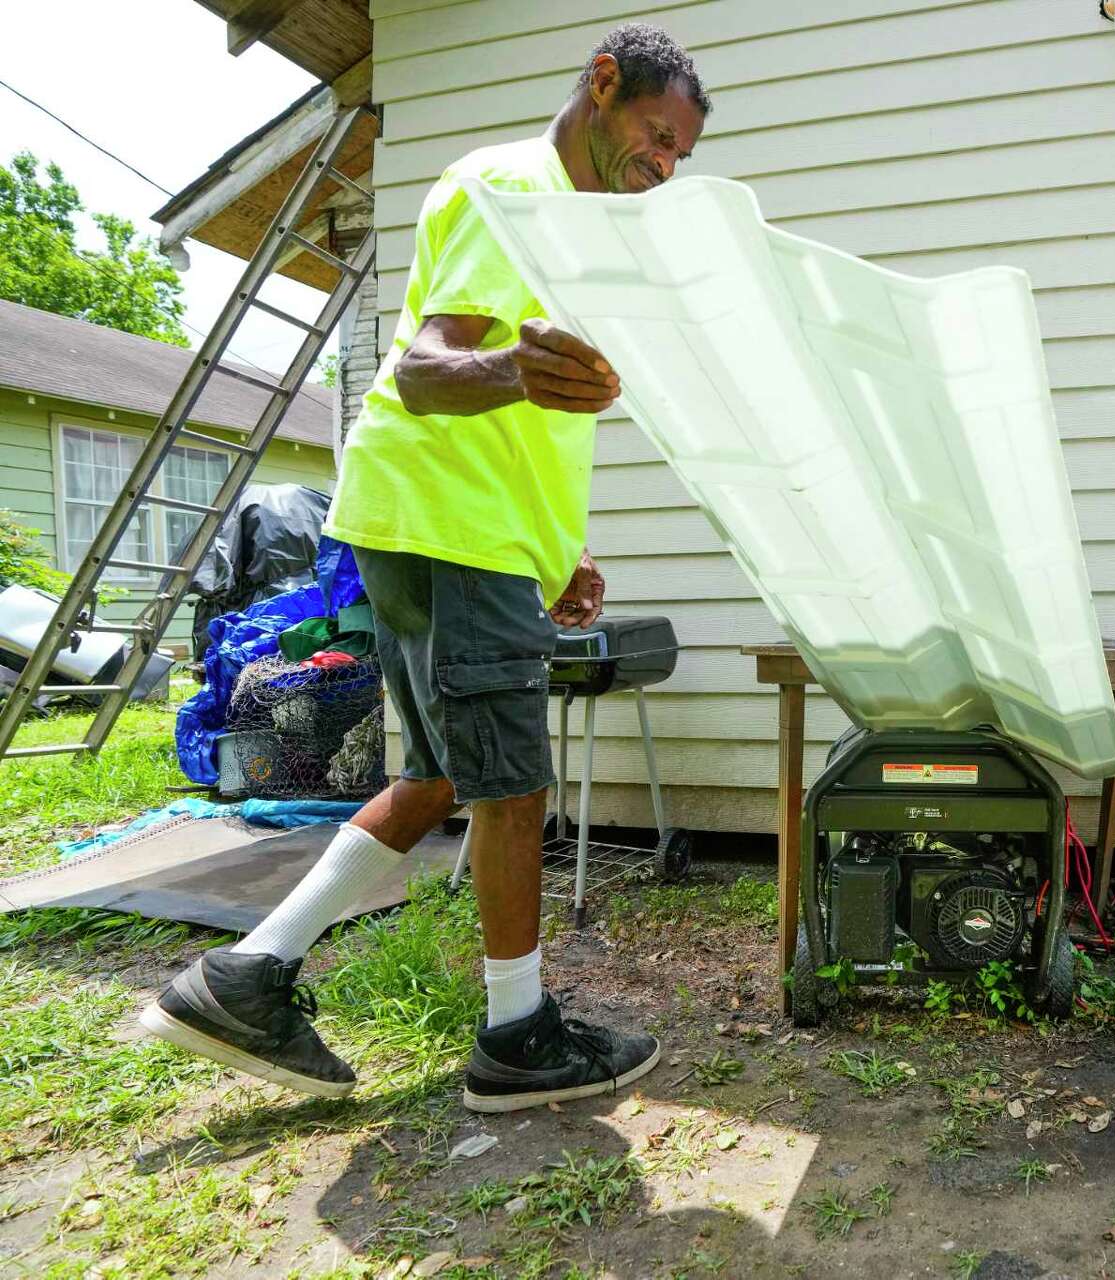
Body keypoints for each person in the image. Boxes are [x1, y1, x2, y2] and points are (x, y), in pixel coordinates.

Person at [139, 23, 711, 1113]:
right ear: (602, 87)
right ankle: (518, 1036)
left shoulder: (563, 226)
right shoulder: (510, 188)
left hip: (443, 527)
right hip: (450, 535)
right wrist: (510, 371)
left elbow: (514, 420)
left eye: (681, 152)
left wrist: (559, 549)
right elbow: (428, 369)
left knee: (441, 774)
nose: (664, 164)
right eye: (657, 133)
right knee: (511, 785)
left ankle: (244, 971)